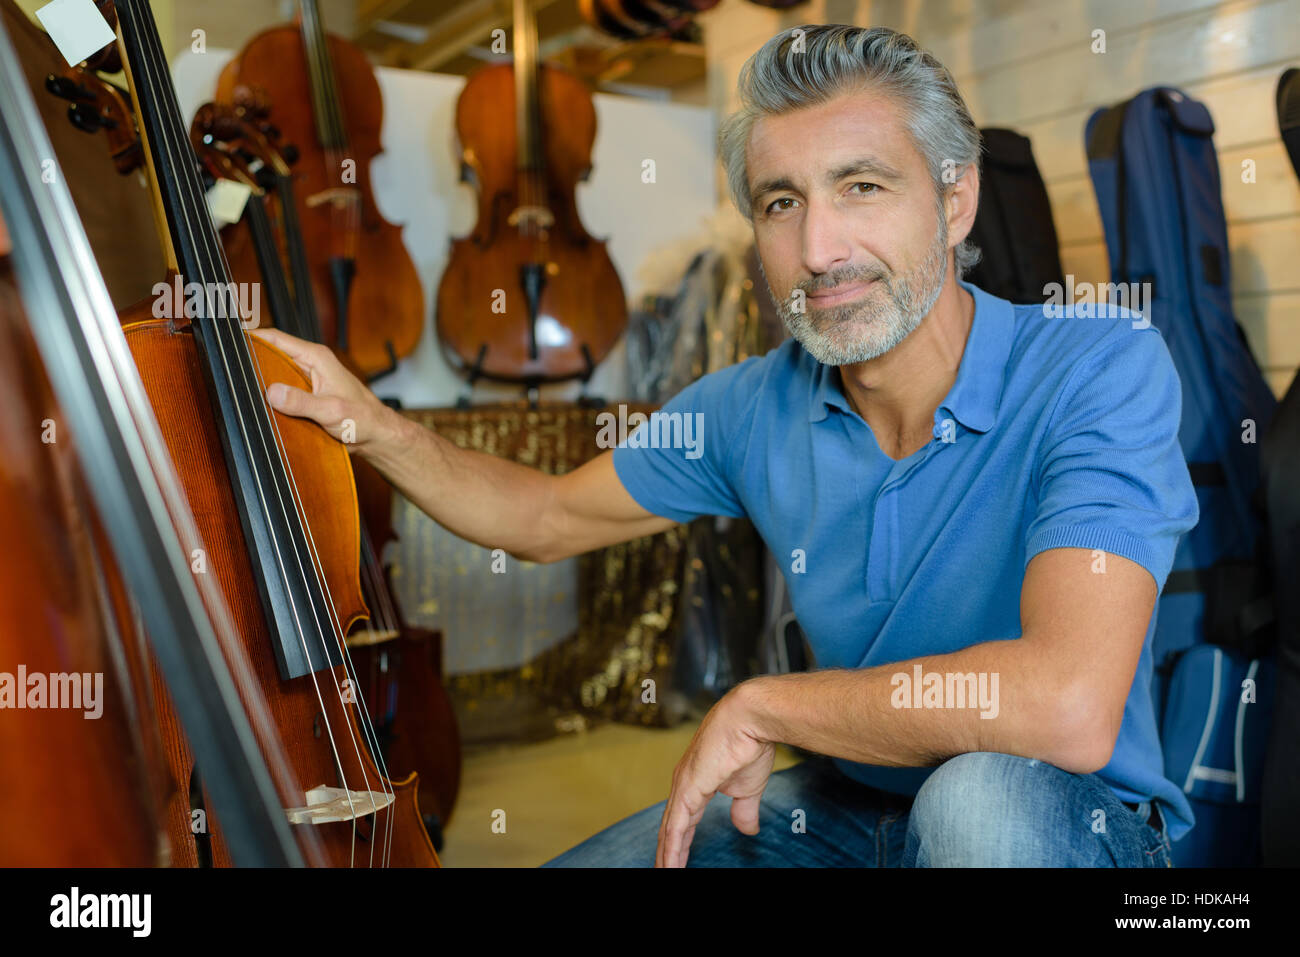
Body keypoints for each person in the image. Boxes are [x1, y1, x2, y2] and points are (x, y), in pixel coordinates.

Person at [253, 24, 1198, 868]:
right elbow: (539, 516)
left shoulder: (1097, 366)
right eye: (781, 203)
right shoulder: (747, 407)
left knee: (976, 799)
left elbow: (1067, 704)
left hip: (1068, 824)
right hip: (845, 805)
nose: (820, 248)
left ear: (955, 203)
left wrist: (765, 703)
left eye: (862, 187)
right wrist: (373, 426)